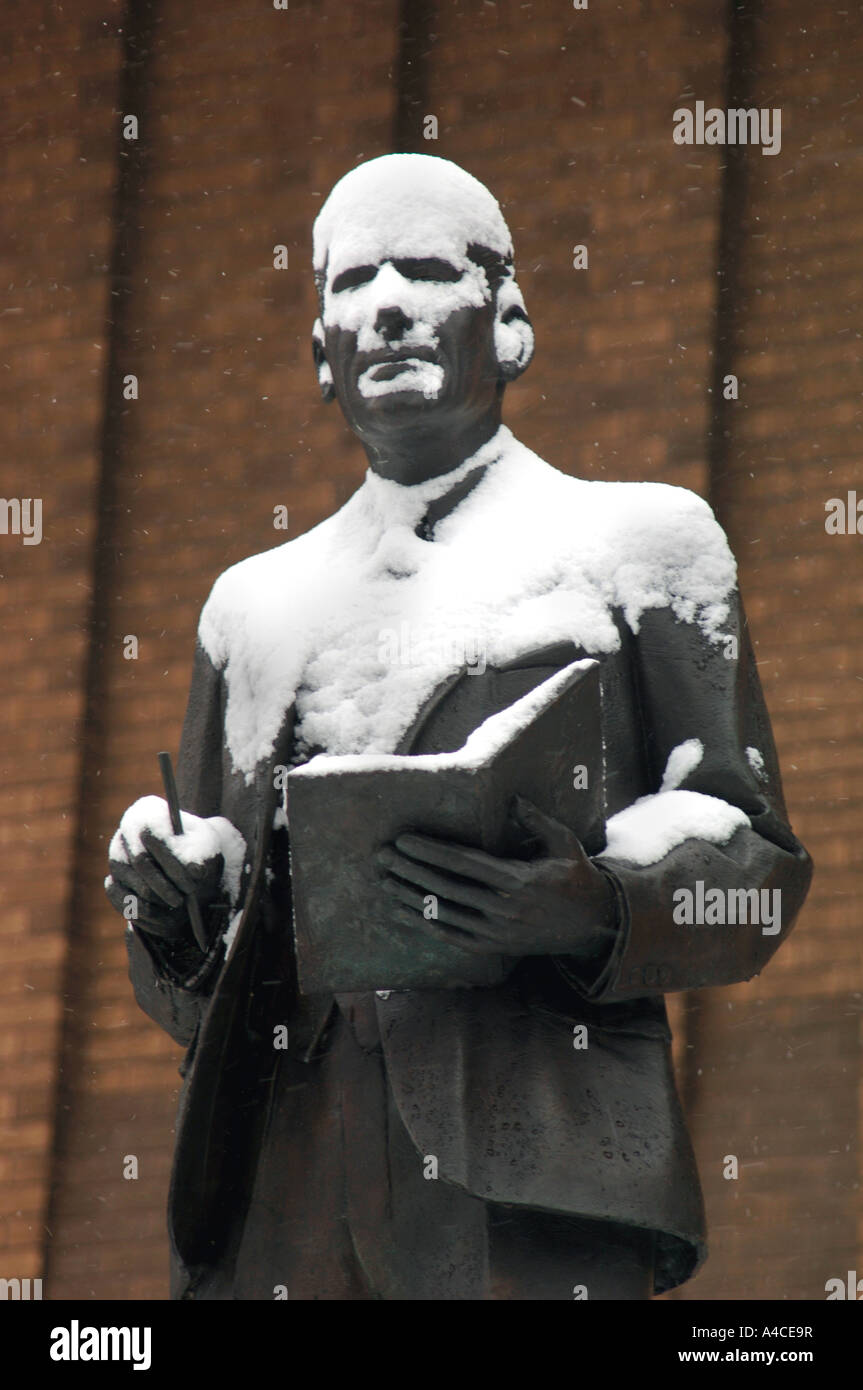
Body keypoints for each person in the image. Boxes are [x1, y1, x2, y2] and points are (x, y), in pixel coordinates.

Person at [105, 154, 812, 1300]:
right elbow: (213, 980)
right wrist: (179, 925)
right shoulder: (253, 608)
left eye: (425, 273)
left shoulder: (641, 546)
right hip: (279, 1194)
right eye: (351, 282)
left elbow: (757, 865)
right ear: (319, 352)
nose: (383, 304)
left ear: (509, 323)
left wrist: (595, 906)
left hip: (531, 1174)